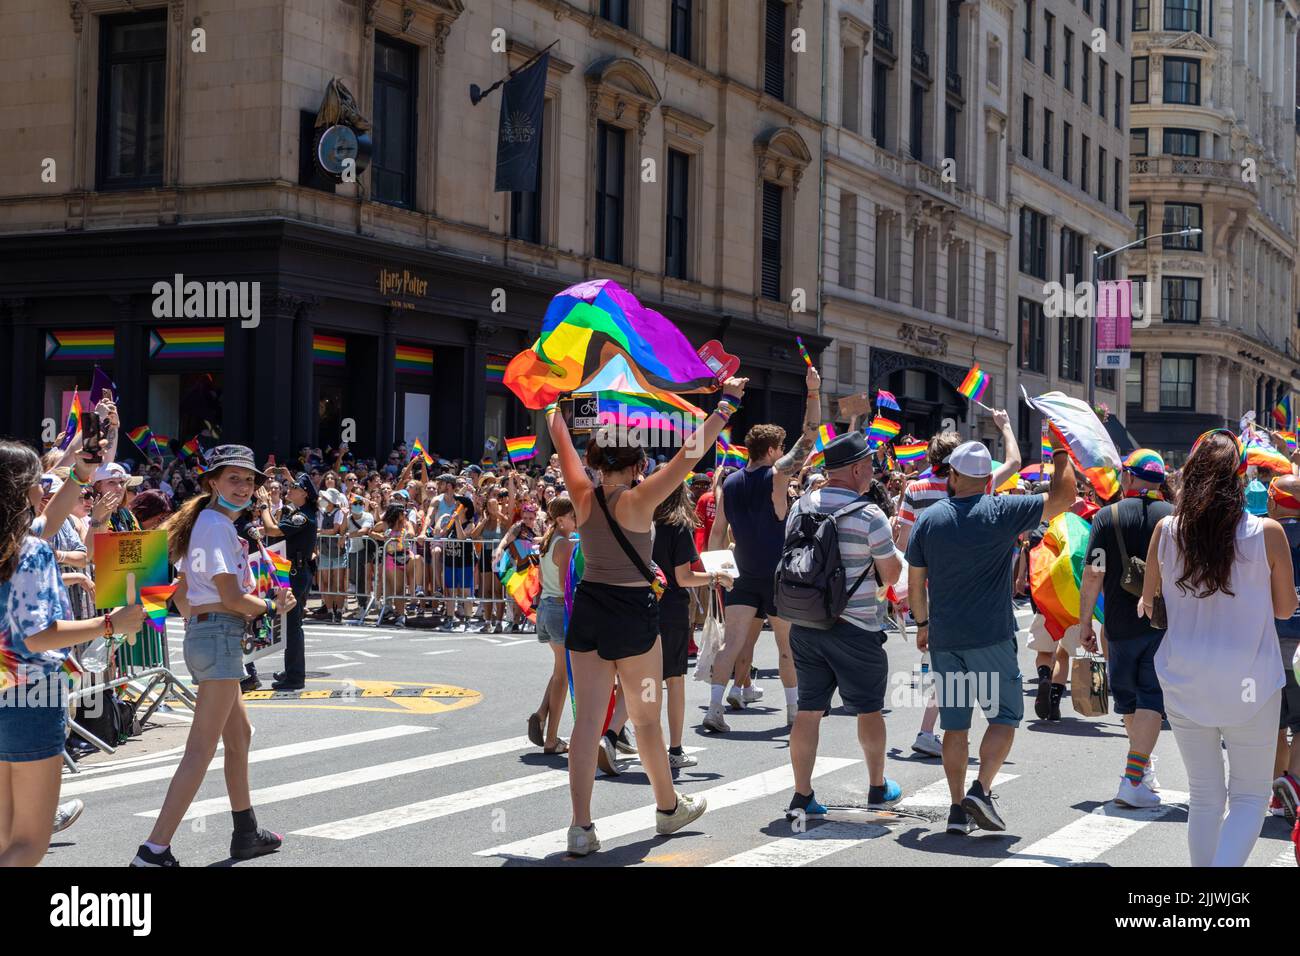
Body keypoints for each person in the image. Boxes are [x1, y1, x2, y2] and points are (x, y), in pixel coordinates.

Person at [547, 375, 747, 856]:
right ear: (638, 465)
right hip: (636, 614)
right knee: (648, 719)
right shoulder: (642, 498)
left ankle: (580, 828)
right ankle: (666, 807)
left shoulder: (580, 493)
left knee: (587, 725)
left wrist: (564, 401)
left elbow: (557, 427)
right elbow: (691, 455)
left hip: (591, 609)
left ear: (594, 462)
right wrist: (726, 405)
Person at [131, 445, 293, 867]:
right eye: (233, 478)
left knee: (240, 736)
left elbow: (184, 597)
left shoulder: (203, 523)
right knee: (200, 749)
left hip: (207, 637)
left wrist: (211, 612)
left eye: (249, 479)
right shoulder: (216, 526)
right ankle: (154, 850)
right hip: (219, 640)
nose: (243, 487)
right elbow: (232, 596)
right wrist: (271, 605)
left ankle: (246, 832)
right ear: (212, 482)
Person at [906, 437, 1074, 834]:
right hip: (992, 637)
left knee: (955, 727)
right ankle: (980, 791)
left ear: (953, 475)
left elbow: (916, 584)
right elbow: (1064, 496)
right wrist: (1060, 449)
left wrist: (924, 624)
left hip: (946, 638)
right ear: (987, 480)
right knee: (1003, 718)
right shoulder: (1003, 510)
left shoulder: (930, 519)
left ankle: (955, 808)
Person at [1141, 429, 1294, 866]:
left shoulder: (1166, 531)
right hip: (1250, 682)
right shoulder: (1267, 533)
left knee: (1205, 796)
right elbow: (1285, 610)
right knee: (1249, 795)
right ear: (1241, 477)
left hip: (1183, 677)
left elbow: (1152, 609)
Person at [0, 442, 144, 867]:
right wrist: (110, 624)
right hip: (30, 697)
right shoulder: (30, 550)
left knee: (6, 833)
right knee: (28, 841)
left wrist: (81, 474)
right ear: (21, 489)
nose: (44, 488)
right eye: (37, 482)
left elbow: (47, 521)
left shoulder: (19, 542)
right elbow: (39, 636)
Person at [783, 432, 904, 818]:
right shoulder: (870, 515)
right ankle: (877, 787)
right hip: (857, 628)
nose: (873, 471)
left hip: (805, 623)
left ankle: (802, 795)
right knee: (868, 710)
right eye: (869, 465)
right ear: (855, 469)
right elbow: (890, 574)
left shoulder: (800, 506)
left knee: (808, 710)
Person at [704, 365, 822, 731]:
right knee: (788, 646)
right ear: (771, 451)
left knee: (731, 644)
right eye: (781, 449)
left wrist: (717, 571)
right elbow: (811, 435)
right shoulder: (777, 476)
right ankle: (791, 712)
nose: (784, 453)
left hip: (741, 572)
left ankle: (713, 709)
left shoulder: (730, 483)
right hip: (777, 575)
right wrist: (813, 393)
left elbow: (718, 532)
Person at [1076, 449, 1172, 808]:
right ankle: (1140, 769)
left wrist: (1085, 622)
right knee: (1151, 698)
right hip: (1163, 624)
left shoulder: (1105, 517)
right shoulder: (1176, 517)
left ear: (1129, 478)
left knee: (1130, 700)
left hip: (1117, 625)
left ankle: (1135, 774)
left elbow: (1093, 573)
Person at [654, 482, 730, 769]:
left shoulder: (641, 521)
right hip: (670, 608)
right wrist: (714, 578)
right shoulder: (678, 526)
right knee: (673, 681)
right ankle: (675, 749)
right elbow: (684, 578)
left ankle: (610, 735)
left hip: (638, 607)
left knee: (640, 681)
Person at [256, 472, 317, 691]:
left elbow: (274, 530)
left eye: (294, 488)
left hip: (296, 575)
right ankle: (291, 670)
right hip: (296, 572)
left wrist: (264, 507)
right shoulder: (300, 513)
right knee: (290, 625)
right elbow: (275, 530)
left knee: (292, 627)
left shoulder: (303, 516)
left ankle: (295, 676)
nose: (288, 490)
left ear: (305, 493)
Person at [529, 496, 576, 755]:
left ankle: (541, 713)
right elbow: (566, 587)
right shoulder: (565, 544)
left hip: (546, 607)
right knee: (561, 675)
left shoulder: (547, 543)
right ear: (560, 519)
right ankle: (552, 738)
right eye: (573, 516)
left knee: (559, 670)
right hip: (559, 608)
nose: (577, 520)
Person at [1265, 474, 1300, 824]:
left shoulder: (1262, 538)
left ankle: (1278, 796)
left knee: (1274, 724)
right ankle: (1293, 781)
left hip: (1268, 646)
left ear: (1274, 502)